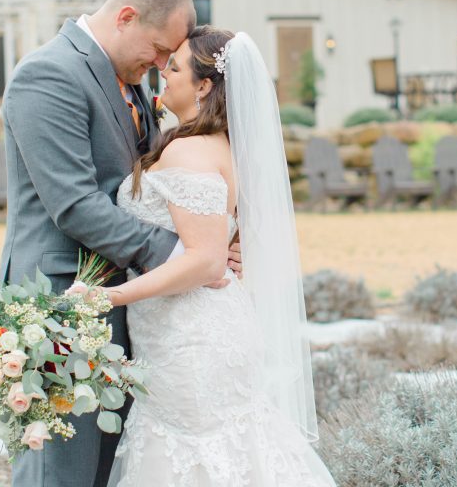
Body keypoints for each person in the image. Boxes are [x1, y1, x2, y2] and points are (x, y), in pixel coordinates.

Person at [0, 0, 240, 487]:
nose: (159, 66)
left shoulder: (127, 82)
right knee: (60, 470)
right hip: (64, 298)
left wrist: (214, 246)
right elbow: (76, 204)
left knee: (111, 466)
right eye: (157, 50)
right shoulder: (49, 74)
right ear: (126, 17)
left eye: (168, 57)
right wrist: (185, 254)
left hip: (131, 300)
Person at [103, 26, 335, 487]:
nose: (161, 73)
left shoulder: (188, 151)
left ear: (205, 85)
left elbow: (206, 261)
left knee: (199, 460)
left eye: (174, 67)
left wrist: (110, 297)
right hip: (195, 331)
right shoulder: (225, 147)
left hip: (191, 340)